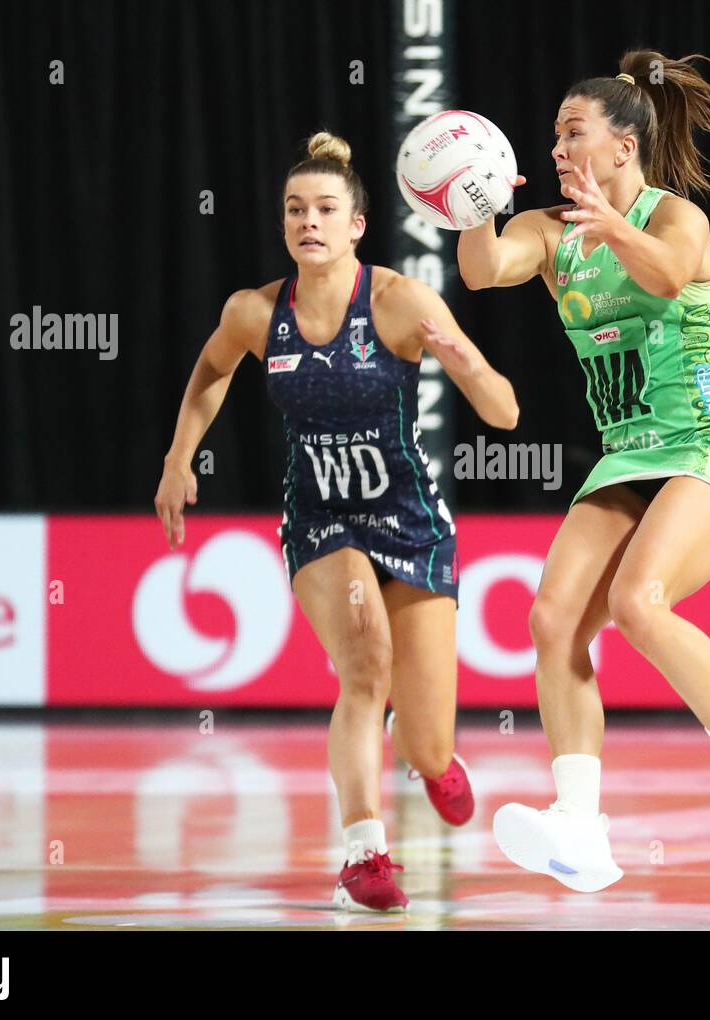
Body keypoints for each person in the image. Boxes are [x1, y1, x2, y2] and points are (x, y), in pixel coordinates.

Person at [457, 51, 710, 890]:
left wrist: (610, 223)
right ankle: (580, 824)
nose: (560, 148)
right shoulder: (545, 232)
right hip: (629, 453)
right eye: (553, 137)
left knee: (637, 604)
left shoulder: (674, 216)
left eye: (574, 132)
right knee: (552, 622)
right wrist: (467, 199)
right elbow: (479, 269)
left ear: (623, 146)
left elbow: (669, 272)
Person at [155, 131, 519, 911]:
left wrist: (465, 361)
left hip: (412, 522)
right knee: (365, 667)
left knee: (429, 742)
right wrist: (179, 458)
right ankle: (364, 859)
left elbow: (506, 411)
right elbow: (211, 371)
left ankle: (432, 759)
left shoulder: (397, 302)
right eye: (295, 210)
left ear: (357, 224)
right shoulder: (256, 313)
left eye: (325, 209)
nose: (307, 222)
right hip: (322, 521)